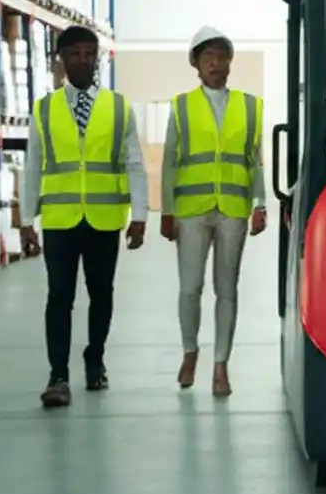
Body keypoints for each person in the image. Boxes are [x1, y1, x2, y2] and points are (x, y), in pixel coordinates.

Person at [19, 25, 148, 408]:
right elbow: (32, 167)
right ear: (61, 59)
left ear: (98, 58)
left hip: (105, 218)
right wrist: (27, 219)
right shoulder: (44, 109)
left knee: (101, 294)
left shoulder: (119, 107)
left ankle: (95, 359)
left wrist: (139, 214)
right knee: (59, 296)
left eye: (89, 53)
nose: (83, 60)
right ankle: (58, 375)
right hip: (59, 219)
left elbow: (135, 163)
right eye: (74, 53)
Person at [159, 26, 267, 397]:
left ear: (230, 63)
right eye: (208, 57)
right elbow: (170, 162)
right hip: (191, 210)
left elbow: (255, 161)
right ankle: (190, 352)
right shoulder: (182, 106)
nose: (216, 64)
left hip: (234, 209)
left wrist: (261, 203)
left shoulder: (250, 106)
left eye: (222, 57)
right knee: (190, 288)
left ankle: (221, 365)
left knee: (227, 290)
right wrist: (167, 212)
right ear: (197, 64)